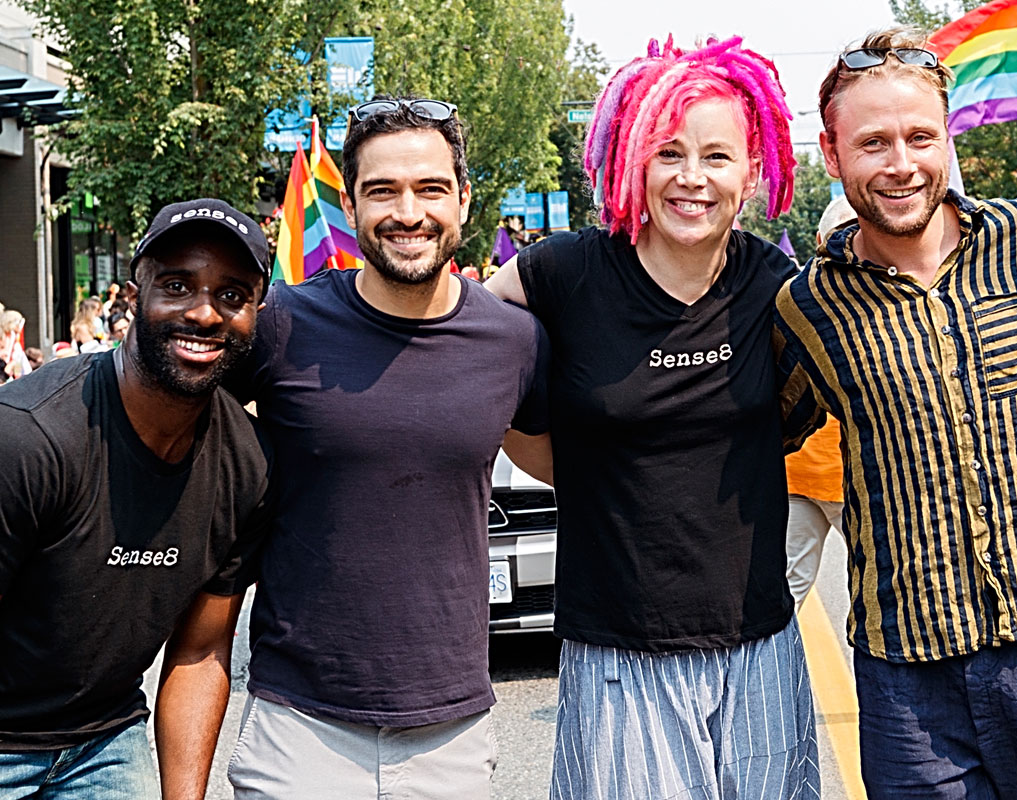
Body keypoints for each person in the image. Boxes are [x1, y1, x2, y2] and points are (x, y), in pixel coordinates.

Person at [775, 27, 1017, 799]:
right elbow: (746, 440)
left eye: (919, 136)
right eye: (873, 143)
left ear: (947, 138)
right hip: (907, 684)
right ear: (832, 155)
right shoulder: (807, 307)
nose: (901, 164)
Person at [487, 36, 819, 799]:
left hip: (758, 644)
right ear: (633, 157)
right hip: (618, 652)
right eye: (668, 152)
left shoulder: (775, 285)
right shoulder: (563, 272)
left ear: (753, 169)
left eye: (716, 156)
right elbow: (455, 333)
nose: (692, 178)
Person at [223, 96, 547, 799]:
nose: (408, 212)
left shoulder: (515, 342)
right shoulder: (282, 323)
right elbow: (177, 425)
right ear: (351, 202)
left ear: (463, 198)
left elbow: (574, 464)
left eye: (430, 189)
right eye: (382, 190)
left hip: (451, 734)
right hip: (298, 728)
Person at [0, 198, 273, 800]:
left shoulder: (248, 462)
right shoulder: (15, 438)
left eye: (232, 296)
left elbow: (200, 653)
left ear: (257, 313)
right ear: (131, 299)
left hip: (103, 739)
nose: (204, 312)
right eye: (176, 286)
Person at [783, 196, 855, 610]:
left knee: (786, 592)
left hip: (795, 471)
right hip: (847, 478)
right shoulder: (879, 298)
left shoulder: (790, 296)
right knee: (884, 585)